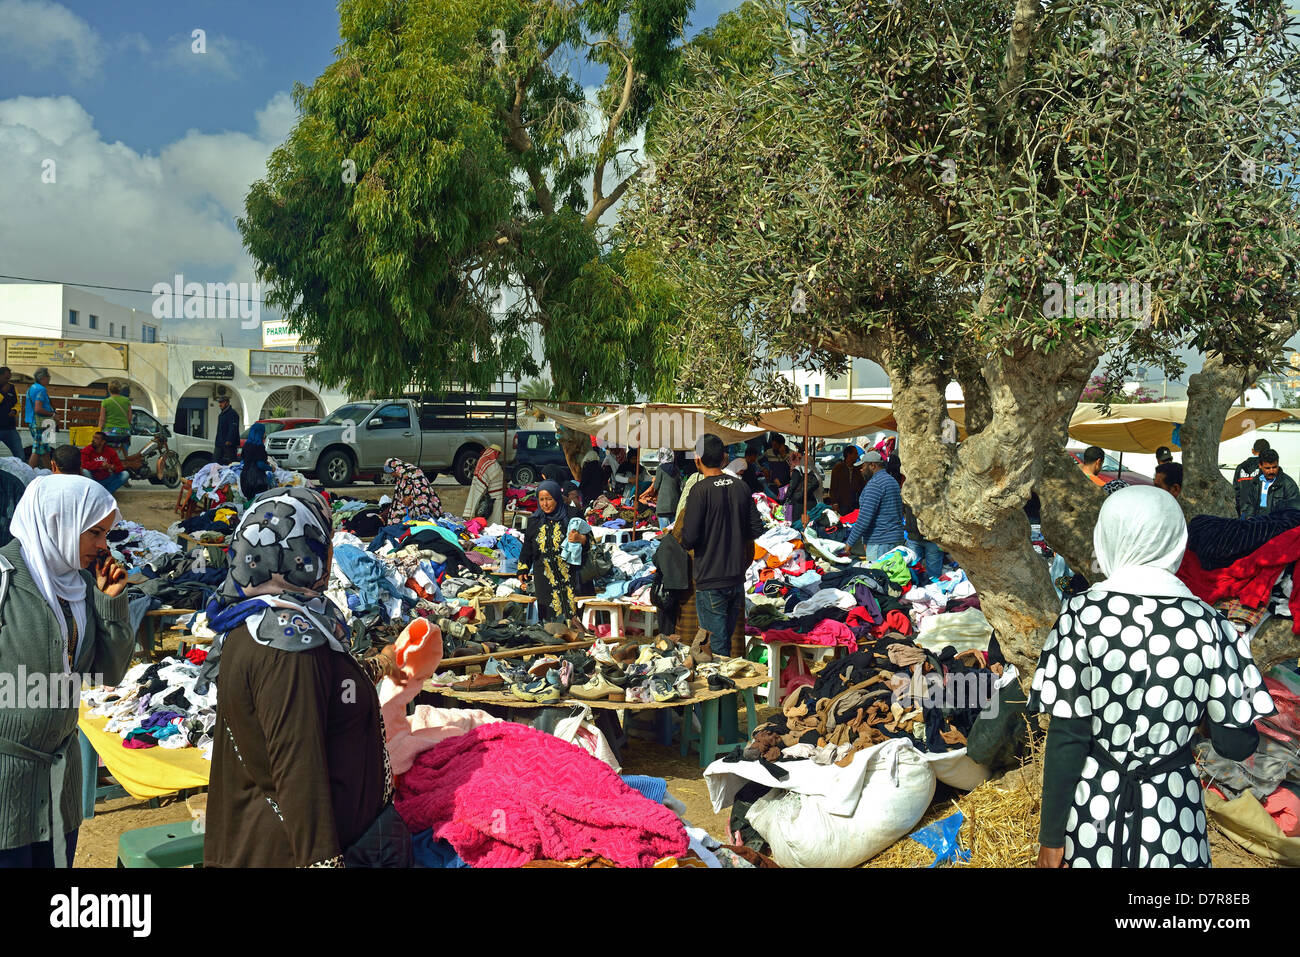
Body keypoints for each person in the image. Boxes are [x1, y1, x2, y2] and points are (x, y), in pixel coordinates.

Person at [1030, 485, 1274, 868]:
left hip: (1093, 809)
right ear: (1176, 541)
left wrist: (1051, 838)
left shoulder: (1081, 615)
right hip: (1173, 812)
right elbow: (1236, 743)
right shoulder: (1211, 625)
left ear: (1108, 536)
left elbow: (1068, 736)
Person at [203, 487, 407, 867]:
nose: (330, 555)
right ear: (299, 552)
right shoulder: (285, 644)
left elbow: (325, 691)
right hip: (291, 851)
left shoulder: (275, 625)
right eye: (322, 542)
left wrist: (380, 663)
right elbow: (299, 772)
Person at [0, 477, 132, 868]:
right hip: (6, 785)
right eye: (94, 532)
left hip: (60, 783)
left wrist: (111, 605)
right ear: (58, 520)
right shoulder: (4, 581)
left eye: (106, 533)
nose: (103, 545)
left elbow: (106, 675)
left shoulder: (80, 588)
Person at [681, 434, 765, 656]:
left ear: (698, 459)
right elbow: (756, 528)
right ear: (723, 458)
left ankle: (725, 690)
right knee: (724, 643)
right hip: (736, 578)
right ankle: (729, 689)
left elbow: (688, 538)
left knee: (716, 649)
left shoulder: (699, 491)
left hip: (710, 579)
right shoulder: (741, 488)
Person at [517, 480, 586, 623]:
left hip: (572, 575)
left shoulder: (572, 515)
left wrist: (580, 538)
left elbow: (590, 542)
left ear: (557, 497)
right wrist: (522, 568)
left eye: (549, 499)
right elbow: (527, 548)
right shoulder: (535, 520)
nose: (545, 504)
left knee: (576, 615)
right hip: (545, 577)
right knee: (550, 620)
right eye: (541, 500)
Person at [844, 450, 905, 560]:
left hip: (880, 541)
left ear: (872, 466)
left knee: (877, 576)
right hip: (895, 539)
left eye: (863, 466)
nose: (861, 470)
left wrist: (849, 543)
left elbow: (864, 518)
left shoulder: (875, 484)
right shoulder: (892, 481)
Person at [1239, 449, 1300, 518]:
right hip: (1257, 523)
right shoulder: (1255, 482)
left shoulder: (1289, 485)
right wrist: (1250, 522)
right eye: (1267, 468)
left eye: (1274, 467)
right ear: (1260, 466)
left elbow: (1294, 511)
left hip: (1277, 525)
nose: (1271, 471)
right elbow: (1250, 505)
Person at [381, 458, 443, 523]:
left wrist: (411, 497)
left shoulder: (414, 472)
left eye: (392, 472)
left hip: (420, 502)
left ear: (396, 468)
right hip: (407, 506)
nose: (392, 475)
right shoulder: (400, 476)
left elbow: (423, 491)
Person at [640, 448, 681, 530]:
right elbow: (679, 484)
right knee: (673, 529)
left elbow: (656, 486)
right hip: (675, 504)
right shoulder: (676, 468)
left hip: (663, 504)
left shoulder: (660, 468)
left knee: (664, 530)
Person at [463, 444, 505, 525]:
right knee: (492, 516)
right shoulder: (490, 464)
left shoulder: (485, 461)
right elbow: (493, 475)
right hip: (493, 494)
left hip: (491, 492)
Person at [25, 367, 55, 470]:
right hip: (40, 423)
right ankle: (27, 473)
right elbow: (38, 409)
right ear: (43, 378)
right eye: (48, 377)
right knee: (37, 450)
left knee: (45, 450)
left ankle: (50, 473)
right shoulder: (41, 389)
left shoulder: (31, 388)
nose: (49, 379)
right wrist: (53, 415)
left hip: (33, 422)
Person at [1233, 439, 1271, 517]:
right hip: (1262, 514)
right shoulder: (1268, 467)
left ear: (1253, 451)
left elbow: (1235, 491)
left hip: (1243, 512)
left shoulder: (1240, 467)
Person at [238, 422, 276, 500]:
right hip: (257, 480)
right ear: (260, 432)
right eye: (264, 431)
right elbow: (260, 464)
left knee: (250, 502)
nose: (265, 433)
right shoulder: (259, 447)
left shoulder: (246, 445)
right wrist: (271, 468)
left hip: (245, 478)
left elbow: (245, 460)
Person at [785, 449, 821, 524]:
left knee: (799, 525)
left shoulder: (798, 470)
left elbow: (792, 487)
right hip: (815, 503)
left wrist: (785, 497)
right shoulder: (816, 473)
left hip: (801, 505)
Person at [96, 380, 132, 453]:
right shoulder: (127, 401)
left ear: (109, 390)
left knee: (105, 449)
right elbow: (129, 418)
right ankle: (124, 458)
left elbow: (102, 419)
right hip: (124, 432)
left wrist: (98, 431)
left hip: (109, 433)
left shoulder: (105, 402)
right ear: (120, 389)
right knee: (125, 449)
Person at [829, 444, 865, 514]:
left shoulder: (857, 469)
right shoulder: (838, 469)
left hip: (855, 504)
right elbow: (833, 487)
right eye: (855, 454)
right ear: (848, 454)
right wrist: (834, 502)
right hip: (842, 504)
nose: (857, 456)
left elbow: (861, 486)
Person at [0, 368, 22, 459]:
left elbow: (17, 404)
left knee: (20, 456)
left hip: (10, 428)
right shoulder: (5, 389)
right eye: (6, 378)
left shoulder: (12, 387)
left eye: (9, 378)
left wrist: (15, 410)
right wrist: (2, 393)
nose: (7, 381)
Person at [213, 396, 240, 466]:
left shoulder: (233, 414)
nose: (220, 404)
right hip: (219, 444)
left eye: (222, 402)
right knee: (216, 464)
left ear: (227, 403)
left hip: (229, 446)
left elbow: (233, 429)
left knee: (231, 465)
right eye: (219, 402)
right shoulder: (221, 415)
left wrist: (229, 441)